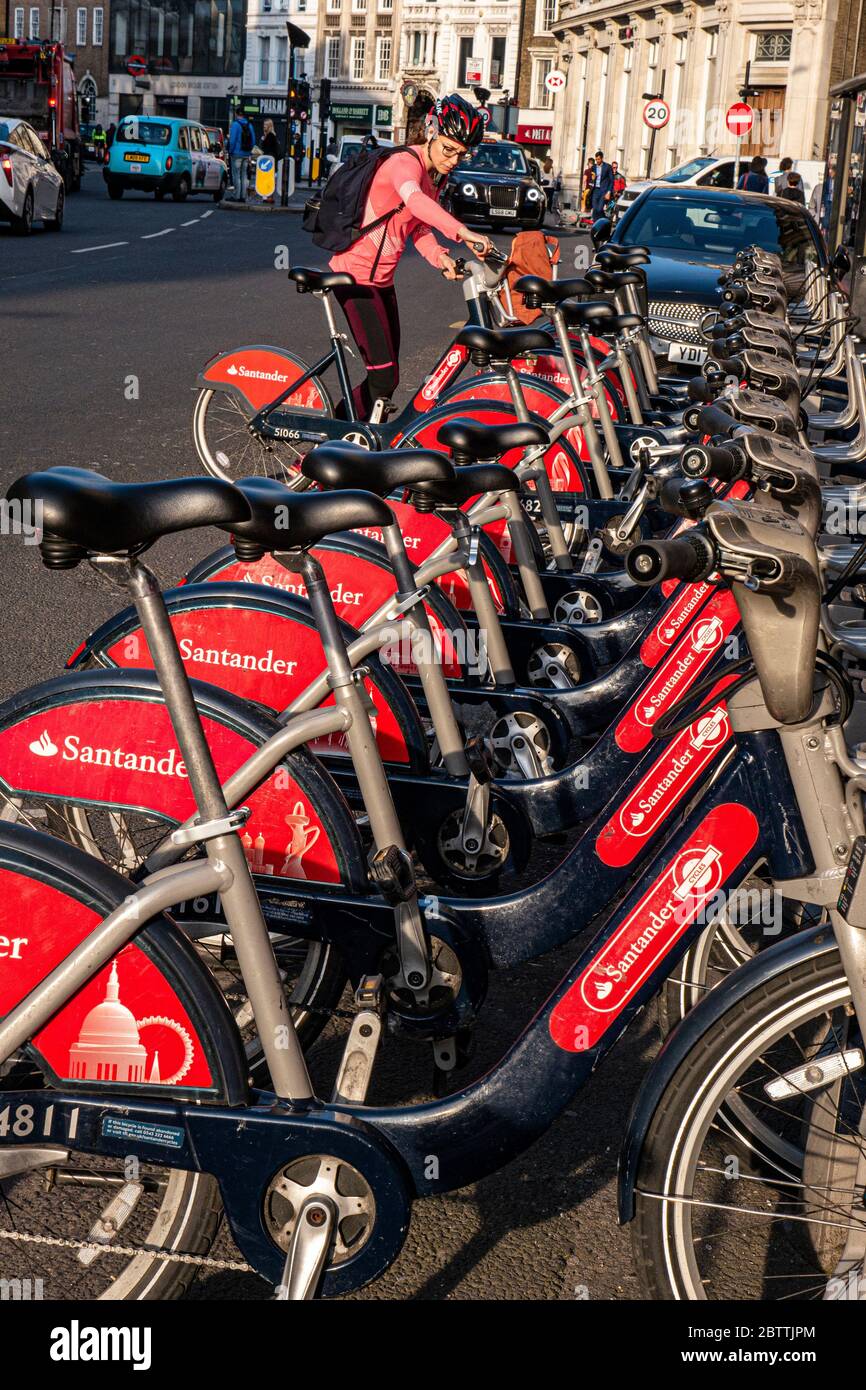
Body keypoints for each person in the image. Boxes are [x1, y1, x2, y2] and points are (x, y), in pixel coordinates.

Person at [328, 93, 493, 419]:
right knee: (383, 376)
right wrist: (463, 232)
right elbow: (415, 201)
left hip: (380, 282)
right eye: (449, 150)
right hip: (354, 278)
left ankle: (362, 446)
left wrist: (441, 258)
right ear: (431, 130)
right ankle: (325, 448)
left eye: (462, 155)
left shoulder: (435, 177)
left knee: (388, 380)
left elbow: (417, 227)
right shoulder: (404, 163)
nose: (454, 160)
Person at [228, 110, 255, 200]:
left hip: (236, 154)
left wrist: (230, 151)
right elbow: (253, 141)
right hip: (246, 154)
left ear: (236, 114)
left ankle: (236, 196)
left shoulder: (235, 125)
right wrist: (249, 152)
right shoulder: (249, 125)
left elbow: (232, 141)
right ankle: (243, 196)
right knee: (244, 175)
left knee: (236, 175)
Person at [260, 118, 282, 203]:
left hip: (268, 160)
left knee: (268, 179)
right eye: (263, 125)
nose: (263, 127)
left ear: (269, 126)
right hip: (271, 160)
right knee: (269, 179)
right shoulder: (271, 135)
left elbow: (267, 149)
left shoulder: (270, 136)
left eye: (265, 125)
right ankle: (268, 196)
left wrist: (262, 141)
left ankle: (268, 196)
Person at [591, 149, 614, 218]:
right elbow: (592, 178)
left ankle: (603, 221)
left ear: (602, 158)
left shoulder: (607, 167)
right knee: (595, 209)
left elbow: (611, 180)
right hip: (595, 190)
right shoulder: (594, 167)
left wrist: (609, 192)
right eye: (596, 159)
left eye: (598, 159)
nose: (597, 161)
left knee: (600, 209)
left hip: (603, 190)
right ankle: (595, 224)